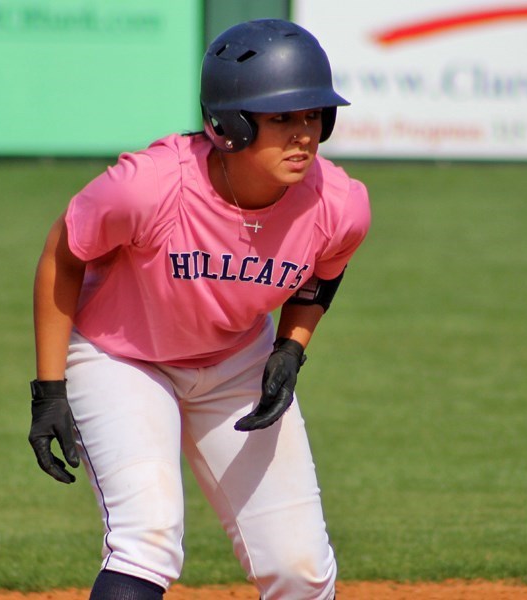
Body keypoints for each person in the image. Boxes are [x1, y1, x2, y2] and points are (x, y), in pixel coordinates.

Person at [27, 18, 370, 600]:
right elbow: (64, 254)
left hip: (235, 362)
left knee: (300, 568)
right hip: (123, 357)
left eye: (312, 116)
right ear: (230, 126)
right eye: (281, 118)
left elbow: (322, 277)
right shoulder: (148, 188)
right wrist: (50, 390)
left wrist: (291, 347)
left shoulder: (339, 205)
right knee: (147, 537)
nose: (303, 135)